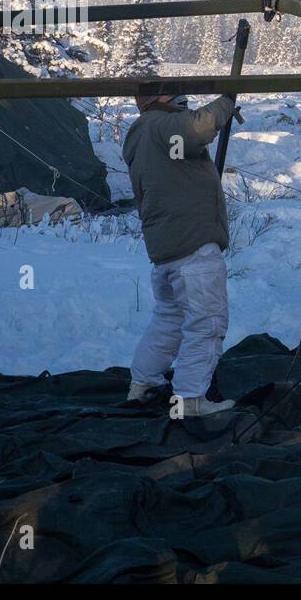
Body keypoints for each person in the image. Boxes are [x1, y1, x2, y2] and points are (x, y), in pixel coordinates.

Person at [122, 91, 237, 417]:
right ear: (158, 99)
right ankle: (189, 401)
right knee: (207, 324)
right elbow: (200, 127)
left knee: (170, 320)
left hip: (167, 249)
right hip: (193, 247)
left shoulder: (142, 133)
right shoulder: (162, 125)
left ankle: (142, 384)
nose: (183, 97)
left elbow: (186, 142)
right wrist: (226, 101)